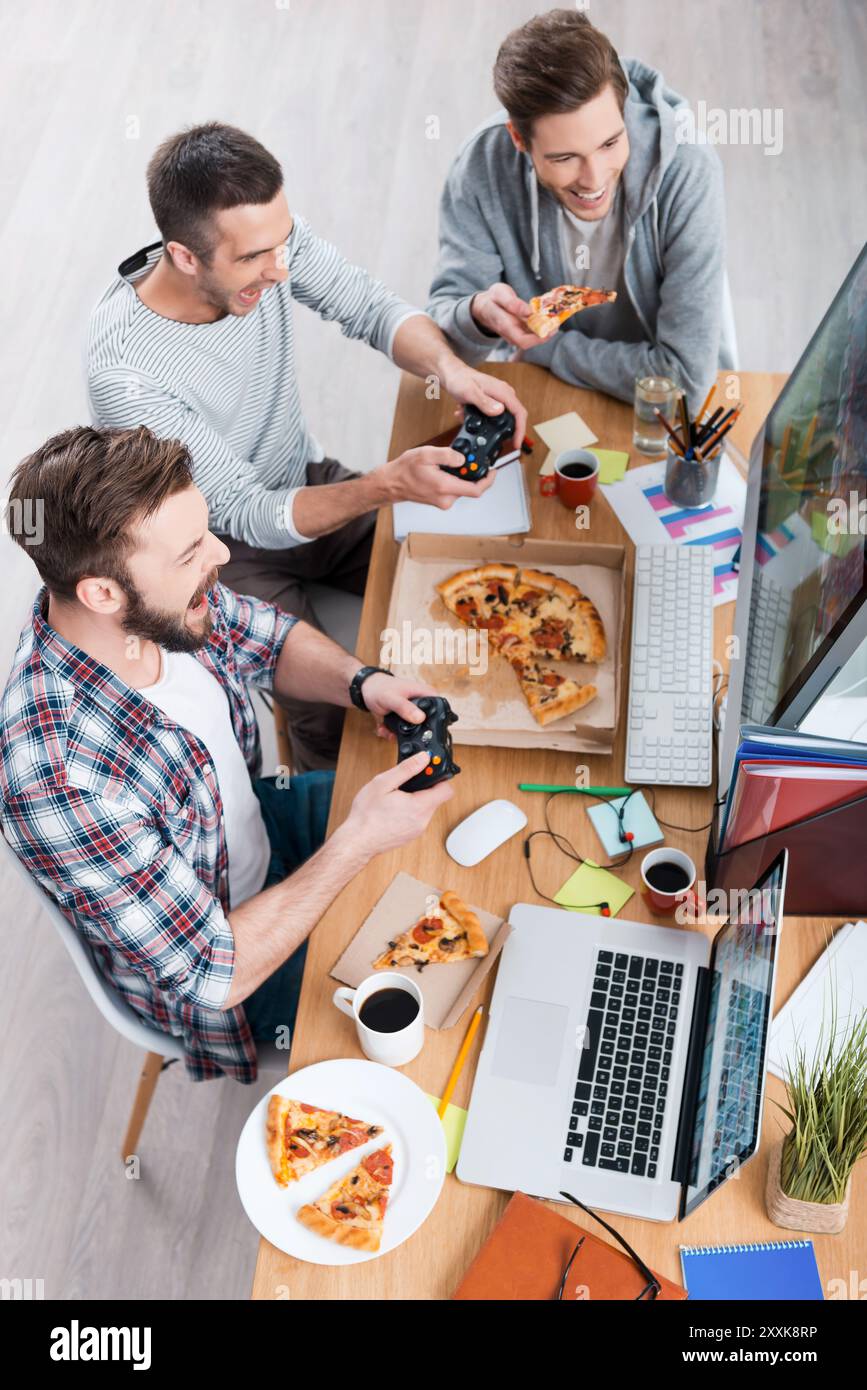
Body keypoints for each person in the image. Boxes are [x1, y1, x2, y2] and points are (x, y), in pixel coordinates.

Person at [0, 425, 454, 1083]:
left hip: (253, 827)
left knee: (451, 830)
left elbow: (264, 638)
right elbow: (214, 972)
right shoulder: (58, 777)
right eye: (191, 552)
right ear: (101, 592)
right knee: (432, 1033)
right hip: (231, 964)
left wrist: (364, 684)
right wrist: (354, 842)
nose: (219, 553)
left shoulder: (155, 607)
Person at [86, 122, 526, 771]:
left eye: (281, 243)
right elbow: (245, 512)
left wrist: (452, 371)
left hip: (301, 480)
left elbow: (371, 307)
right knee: (329, 703)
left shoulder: (264, 244)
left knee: (460, 570)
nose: (280, 268)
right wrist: (384, 485)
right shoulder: (128, 372)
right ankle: (324, 804)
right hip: (218, 552)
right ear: (183, 256)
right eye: (254, 259)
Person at [428, 7, 737, 412]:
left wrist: (550, 351)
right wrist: (478, 314)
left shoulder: (687, 171)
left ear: (624, 111)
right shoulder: (479, 169)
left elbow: (682, 384)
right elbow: (446, 341)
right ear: (519, 139)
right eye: (564, 158)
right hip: (541, 390)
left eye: (610, 144)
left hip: (659, 418)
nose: (594, 180)